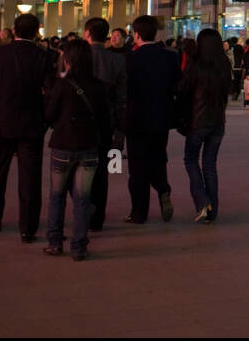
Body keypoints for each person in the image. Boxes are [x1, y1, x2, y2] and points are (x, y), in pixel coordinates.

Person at [0, 13, 57, 243]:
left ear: (14, 31)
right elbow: (50, 92)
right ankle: (28, 227)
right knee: (30, 177)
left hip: (1, 121)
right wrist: (45, 120)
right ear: (36, 33)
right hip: (31, 123)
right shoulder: (43, 56)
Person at [41, 38, 111, 260]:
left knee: (57, 195)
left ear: (68, 60)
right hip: (89, 147)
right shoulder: (100, 87)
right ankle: (79, 247)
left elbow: (49, 115)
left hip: (63, 145)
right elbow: (106, 120)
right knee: (82, 198)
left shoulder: (61, 85)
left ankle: (55, 242)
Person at [123, 15, 182, 224]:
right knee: (158, 158)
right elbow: (177, 86)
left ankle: (139, 213)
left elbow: (125, 91)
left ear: (136, 34)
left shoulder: (130, 58)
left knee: (137, 167)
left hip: (136, 119)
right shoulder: (170, 57)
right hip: (161, 118)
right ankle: (163, 189)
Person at [174, 28, 231, 223]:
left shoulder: (196, 65)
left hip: (197, 122)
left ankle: (202, 202)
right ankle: (212, 210)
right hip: (218, 122)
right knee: (209, 165)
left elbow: (182, 90)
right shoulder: (224, 65)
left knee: (190, 160)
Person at [82, 17, 127, 232]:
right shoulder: (117, 61)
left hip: (79, 121)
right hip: (106, 122)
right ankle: (97, 216)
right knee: (101, 170)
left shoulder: (77, 57)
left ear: (87, 33)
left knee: (77, 168)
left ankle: (82, 209)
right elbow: (122, 97)